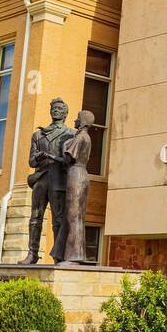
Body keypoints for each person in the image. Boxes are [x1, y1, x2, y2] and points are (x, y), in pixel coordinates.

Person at [19, 98, 74, 264]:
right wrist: (38, 157)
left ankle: (59, 255)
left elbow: (70, 160)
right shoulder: (38, 135)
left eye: (59, 108)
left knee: (58, 219)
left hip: (58, 181)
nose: (55, 110)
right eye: (53, 108)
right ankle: (32, 253)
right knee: (35, 217)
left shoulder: (70, 134)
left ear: (65, 113)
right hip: (41, 180)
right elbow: (31, 162)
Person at [52, 110, 94, 264]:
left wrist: (59, 149)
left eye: (77, 119)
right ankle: (65, 253)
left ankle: (74, 256)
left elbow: (68, 157)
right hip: (81, 174)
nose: (75, 120)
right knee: (74, 215)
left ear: (82, 122)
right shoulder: (86, 138)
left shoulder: (81, 137)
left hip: (76, 174)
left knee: (73, 215)